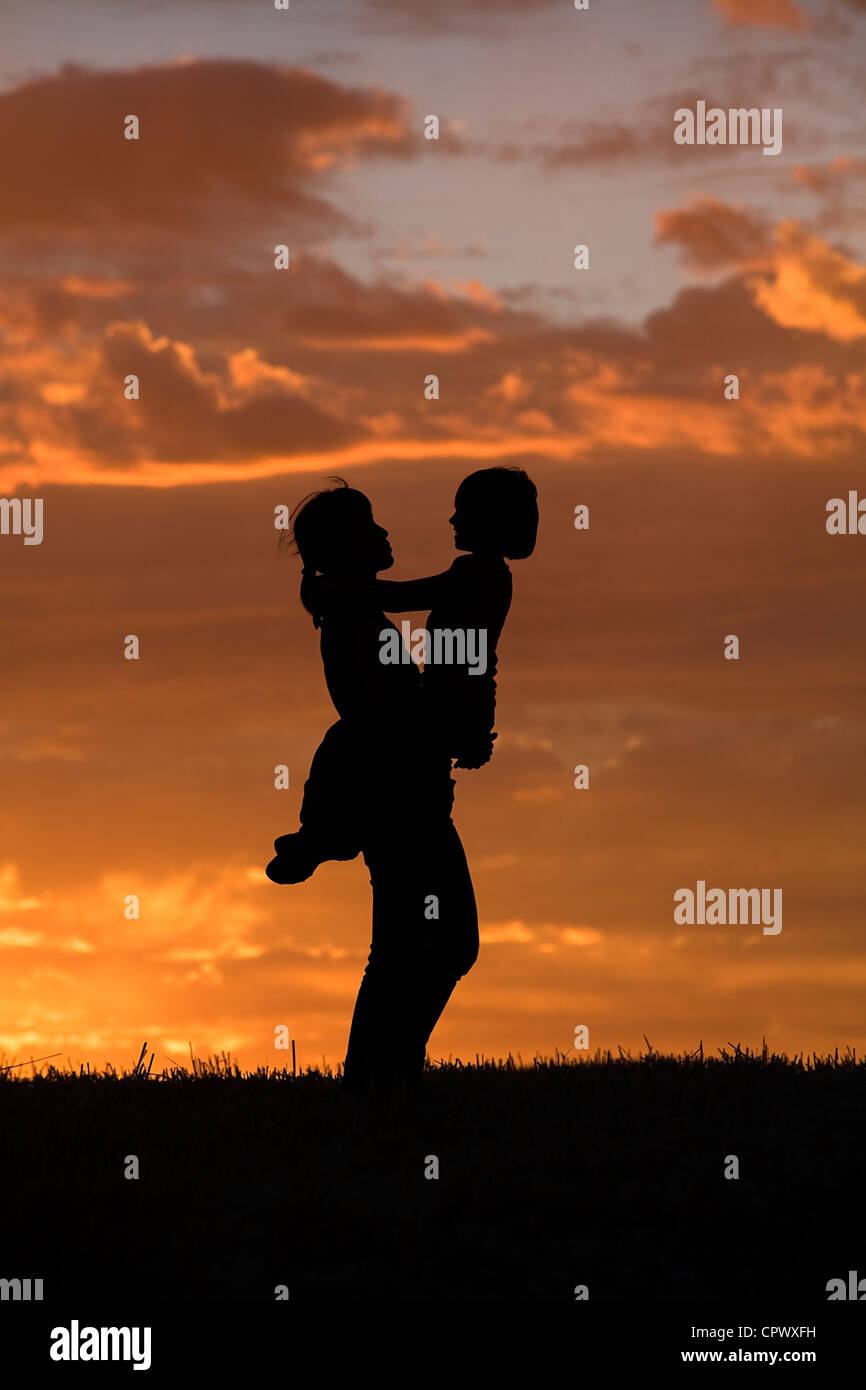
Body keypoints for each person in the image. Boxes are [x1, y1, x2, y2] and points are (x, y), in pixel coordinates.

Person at [266, 481, 479, 1097]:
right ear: (342, 548)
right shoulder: (352, 607)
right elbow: (386, 709)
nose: (385, 535)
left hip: (399, 792)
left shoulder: (354, 608)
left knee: (417, 941)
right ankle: (381, 1075)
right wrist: (464, 582)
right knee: (436, 941)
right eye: (370, 526)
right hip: (398, 798)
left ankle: (382, 1074)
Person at [268, 466, 538, 880]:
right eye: (369, 525)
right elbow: (382, 711)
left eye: (461, 511)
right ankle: (323, 835)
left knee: (342, 742)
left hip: (456, 697)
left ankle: (322, 836)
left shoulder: (476, 573)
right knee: (345, 741)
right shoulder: (358, 620)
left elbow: (404, 596)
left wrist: (336, 591)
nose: (452, 520)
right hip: (453, 700)